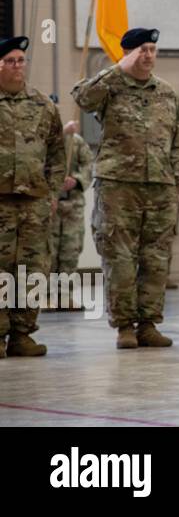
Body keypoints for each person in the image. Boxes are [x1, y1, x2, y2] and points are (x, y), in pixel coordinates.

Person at [72, 28, 179, 350]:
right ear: (126, 54)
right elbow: (81, 97)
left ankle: (148, 324)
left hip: (161, 186)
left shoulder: (166, 92)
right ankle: (123, 325)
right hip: (118, 186)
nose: (148, 55)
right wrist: (116, 70)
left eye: (152, 49)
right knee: (119, 257)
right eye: (141, 50)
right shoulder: (110, 86)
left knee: (156, 258)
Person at [0, 36, 64, 357]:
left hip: (34, 203)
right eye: (9, 61)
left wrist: (51, 193)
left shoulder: (42, 105)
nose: (17, 66)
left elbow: (56, 153)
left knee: (32, 269)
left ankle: (22, 334)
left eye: (20, 60)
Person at [49, 122, 93, 301]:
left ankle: (65, 295)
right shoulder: (46, 141)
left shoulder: (78, 143)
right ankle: (48, 295)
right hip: (49, 204)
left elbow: (88, 166)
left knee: (71, 250)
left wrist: (76, 180)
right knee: (49, 251)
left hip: (72, 204)